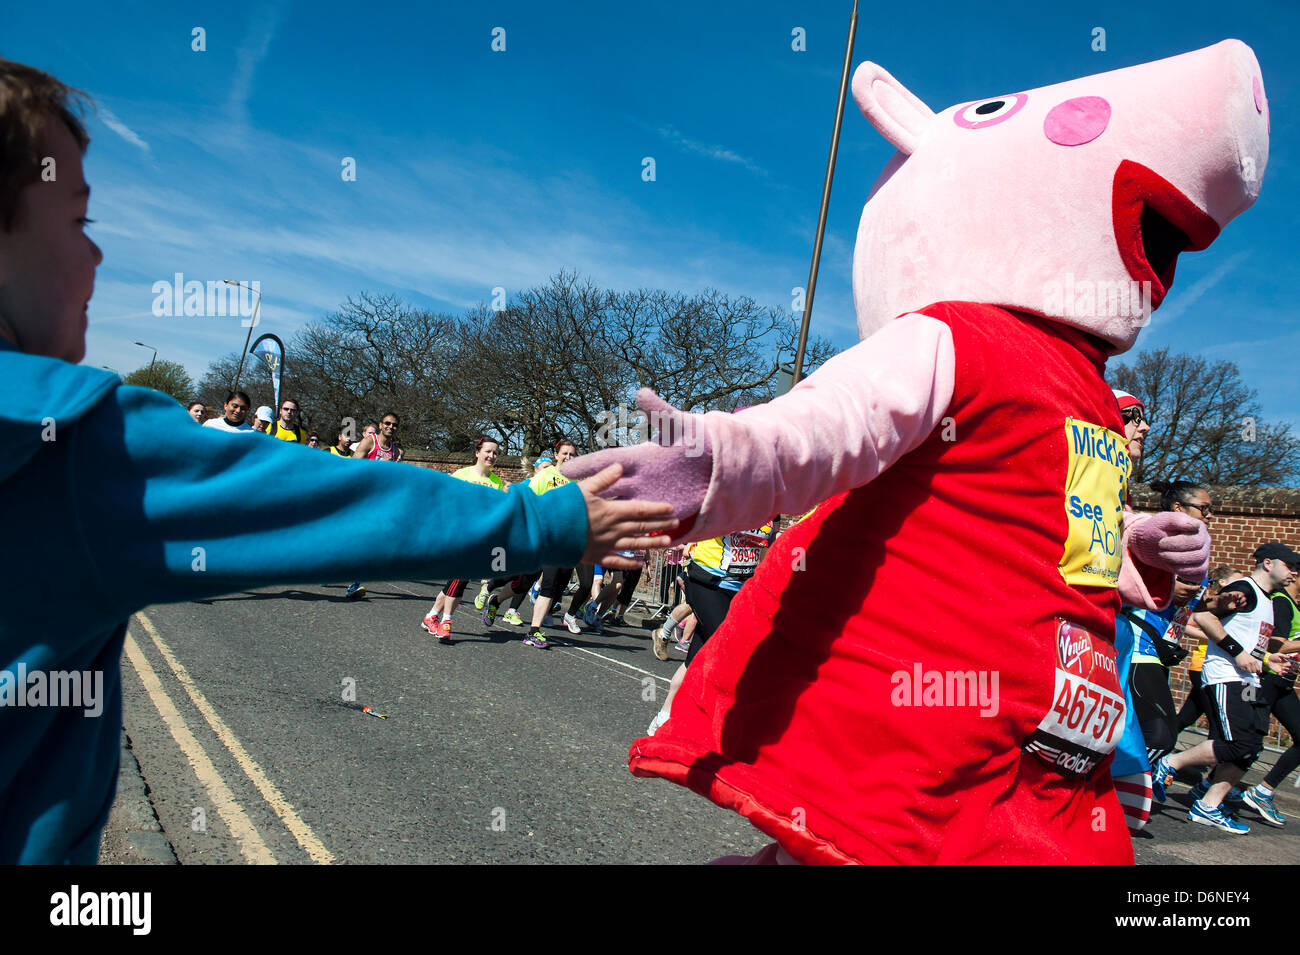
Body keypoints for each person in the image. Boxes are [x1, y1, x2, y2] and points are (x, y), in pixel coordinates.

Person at [0, 57, 679, 862]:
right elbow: (333, 499)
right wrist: (551, 516)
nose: (100, 259)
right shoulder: (73, 441)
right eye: (79, 223)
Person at [1151, 544, 1300, 834]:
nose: (1295, 571)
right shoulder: (1245, 588)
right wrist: (1236, 652)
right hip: (1224, 677)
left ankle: (1208, 806)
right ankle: (1170, 763)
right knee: (1237, 743)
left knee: (1252, 748)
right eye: (1291, 564)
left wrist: (1270, 658)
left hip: (1249, 680)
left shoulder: (1269, 600)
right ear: (1268, 563)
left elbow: (1251, 642)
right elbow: (1202, 615)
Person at [646, 521, 775, 735]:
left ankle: (664, 716)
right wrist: (689, 545)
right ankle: (712, 723)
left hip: (740, 587)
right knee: (727, 645)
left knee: (697, 654)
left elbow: (763, 546)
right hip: (707, 580)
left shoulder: (774, 503)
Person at [482, 440, 578, 649]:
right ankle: (504, 607)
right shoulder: (546, 475)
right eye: (565, 454)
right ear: (556, 454)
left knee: (548, 584)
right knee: (522, 584)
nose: (568, 458)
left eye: (572, 455)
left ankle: (525, 624)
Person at [421, 438, 508, 641]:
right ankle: (446, 622)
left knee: (458, 582)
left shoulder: (496, 482)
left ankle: (431, 616)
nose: (492, 456)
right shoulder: (462, 475)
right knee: (459, 578)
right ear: (477, 452)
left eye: (495, 453)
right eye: (488, 451)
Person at [1239, 564, 1300, 825]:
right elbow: (1278, 642)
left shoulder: (1294, 605)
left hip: (1284, 682)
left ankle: (1262, 791)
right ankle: (1203, 783)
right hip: (1265, 679)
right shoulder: (1281, 602)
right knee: (1246, 740)